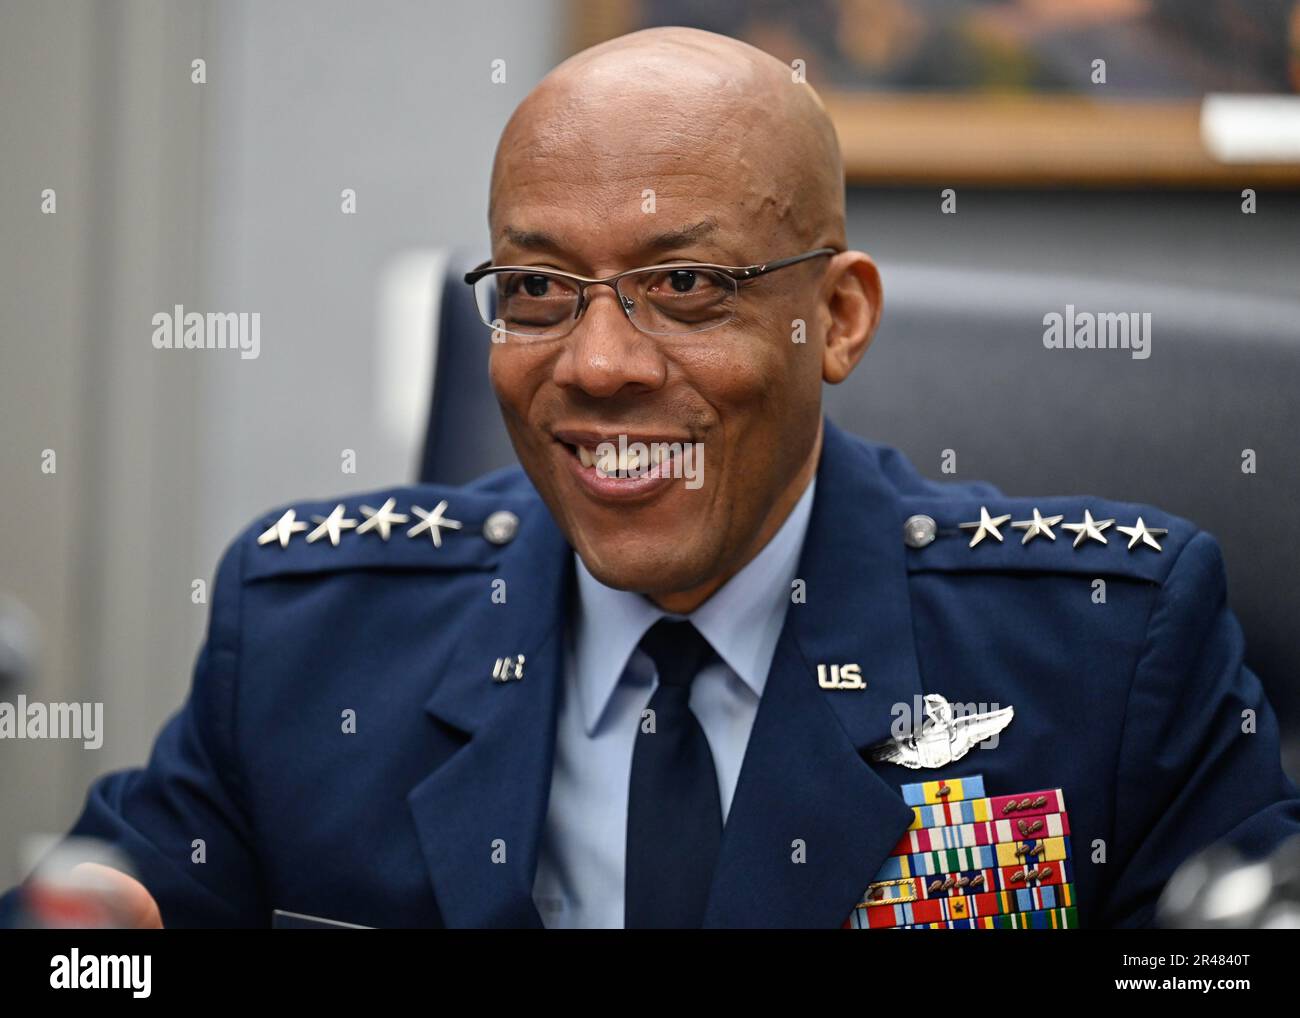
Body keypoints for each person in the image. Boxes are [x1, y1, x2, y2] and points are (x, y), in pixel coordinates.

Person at [4, 26, 1298, 930]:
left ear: (839, 319)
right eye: (536, 291)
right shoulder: (313, 635)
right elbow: (113, 914)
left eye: (686, 286)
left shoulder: (1102, 648)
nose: (601, 363)